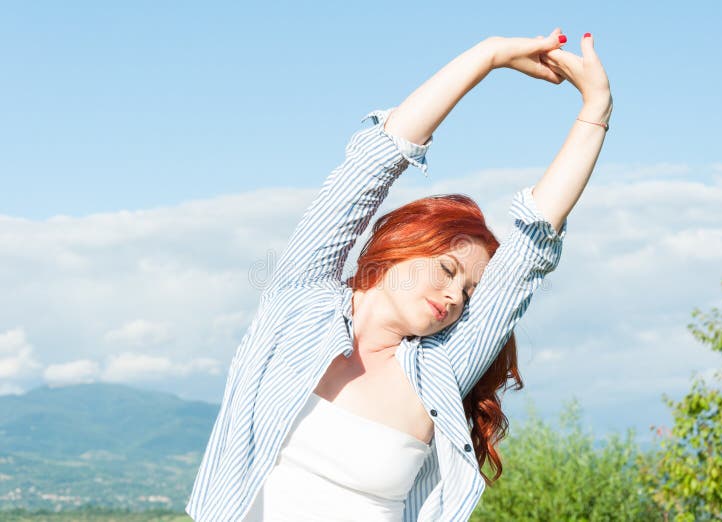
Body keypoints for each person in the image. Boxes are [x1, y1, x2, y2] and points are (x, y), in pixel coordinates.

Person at [186, 27, 612, 522]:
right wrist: (488, 54)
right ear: (399, 246)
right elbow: (372, 163)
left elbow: (530, 249)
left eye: (470, 293)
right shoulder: (299, 302)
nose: (455, 296)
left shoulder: (439, 372)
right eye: (448, 269)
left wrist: (596, 110)